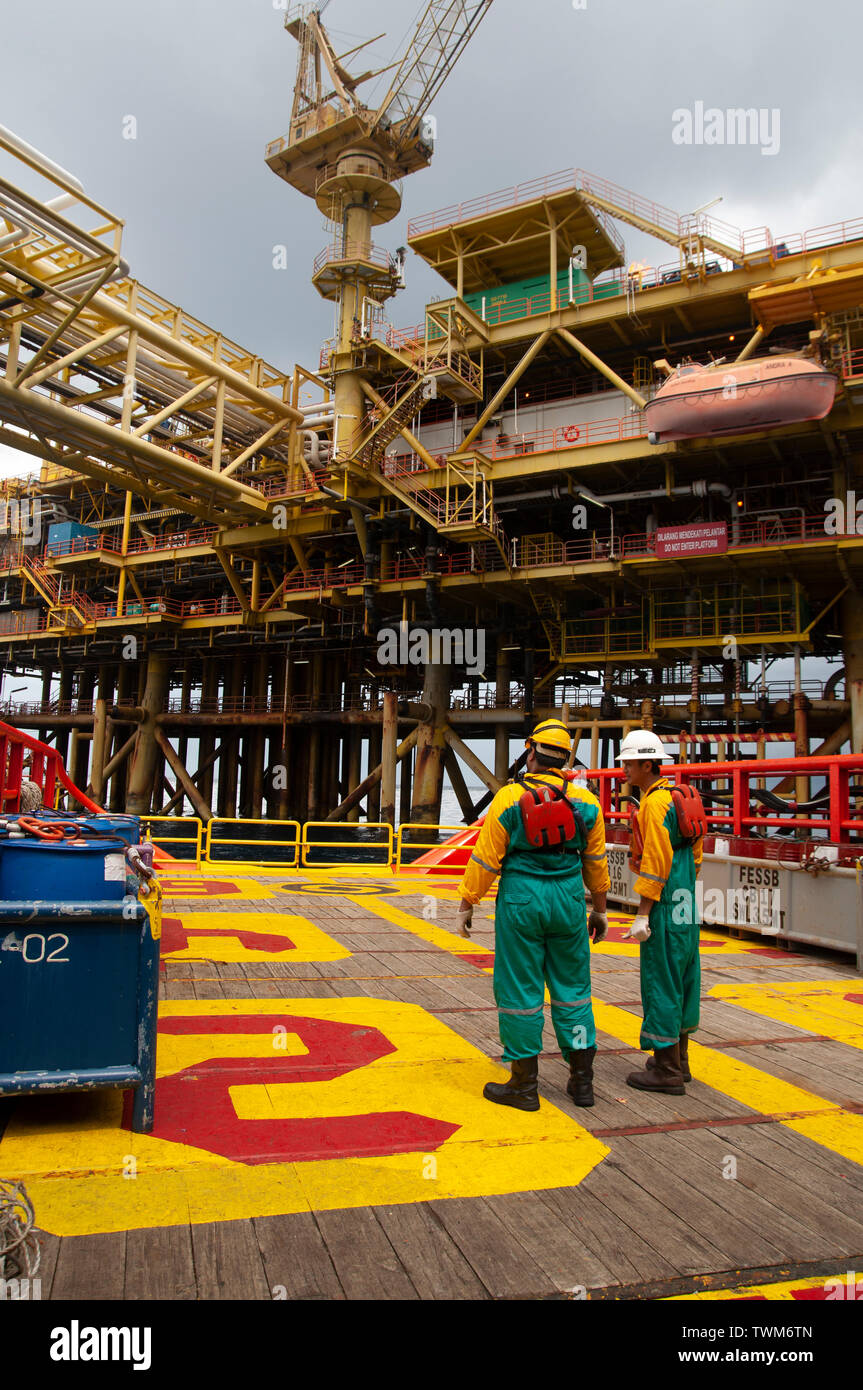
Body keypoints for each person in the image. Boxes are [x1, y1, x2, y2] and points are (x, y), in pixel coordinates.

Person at [456, 718, 610, 1111]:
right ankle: (582, 1082)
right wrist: (600, 910)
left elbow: (486, 858)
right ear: (564, 758)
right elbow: (595, 861)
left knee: (520, 990)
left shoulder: (509, 798)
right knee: (573, 989)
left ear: (531, 751)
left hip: (522, 900)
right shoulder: (587, 802)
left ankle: (524, 1086)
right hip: (569, 899)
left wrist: (467, 903)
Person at [618, 730, 702, 1094]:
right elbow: (695, 855)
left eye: (629, 763)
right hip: (686, 902)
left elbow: (654, 864)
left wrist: (642, 914)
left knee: (662, 980)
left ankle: (666, 1071)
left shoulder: (653, 805)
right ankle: (679, 1060)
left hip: (665, 905)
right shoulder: (681, 798)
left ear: (647, 764)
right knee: (685, 978)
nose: (623, 769)